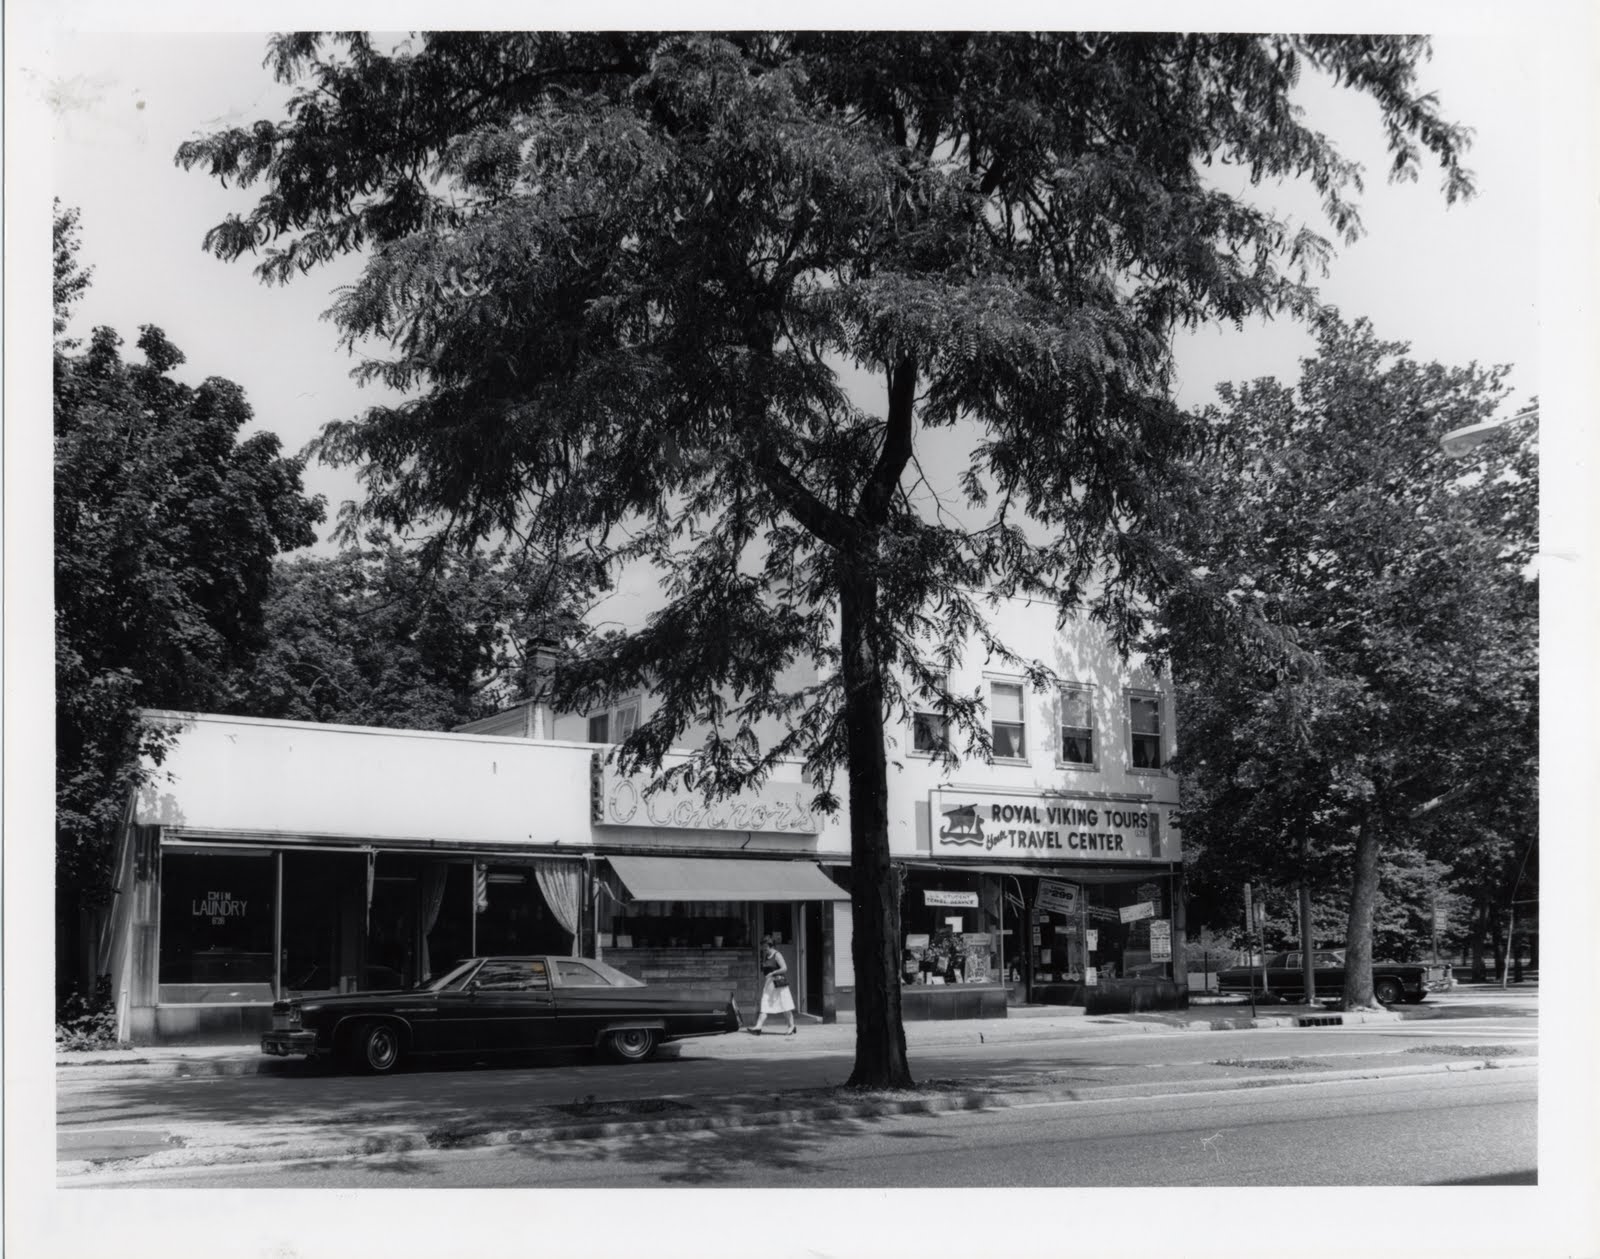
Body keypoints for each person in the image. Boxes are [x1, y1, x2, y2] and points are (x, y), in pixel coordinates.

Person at [749, 935, 797, 1035]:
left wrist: (773, 973)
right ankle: (758, 1027)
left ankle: (791, 1026)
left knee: (785, 1005)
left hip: (779, 983)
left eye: (764, 946)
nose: (763, 948)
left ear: (769, 945)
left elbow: (784, 968)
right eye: (762, 946)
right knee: (764, 1003)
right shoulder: (766, 956)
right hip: (769, 984)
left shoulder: (777, 955)